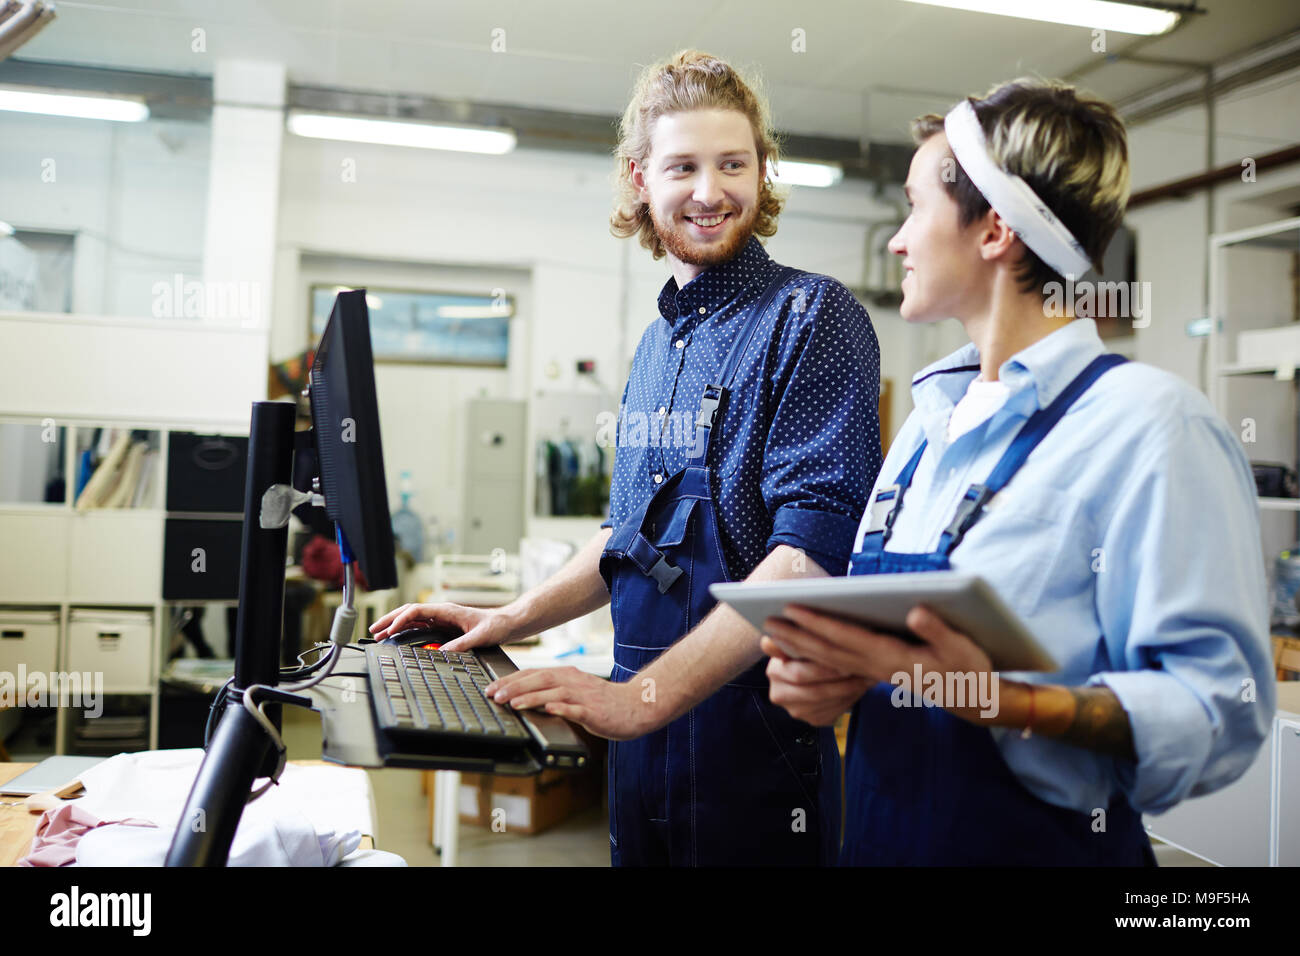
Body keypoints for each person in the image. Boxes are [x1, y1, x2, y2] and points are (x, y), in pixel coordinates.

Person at [370, 50, 882, 866]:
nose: (710, 192)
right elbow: (625, 538)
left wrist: (645, 699)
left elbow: (811, 561)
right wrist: (502, 621)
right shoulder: (656, 346)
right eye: (684, 166)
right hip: (641, 757)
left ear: (762, 172)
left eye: (733, 164)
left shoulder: (811, 317)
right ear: (641, 179)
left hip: (754, 754)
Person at [760, 78, 1275, 866]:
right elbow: (905, 664)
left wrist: (1003, 700)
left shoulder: (1151, 426)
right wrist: (845, 680)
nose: (896, 241)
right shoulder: (929, 428)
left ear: (995, 229)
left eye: (914, 207)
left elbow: (1219, 711)